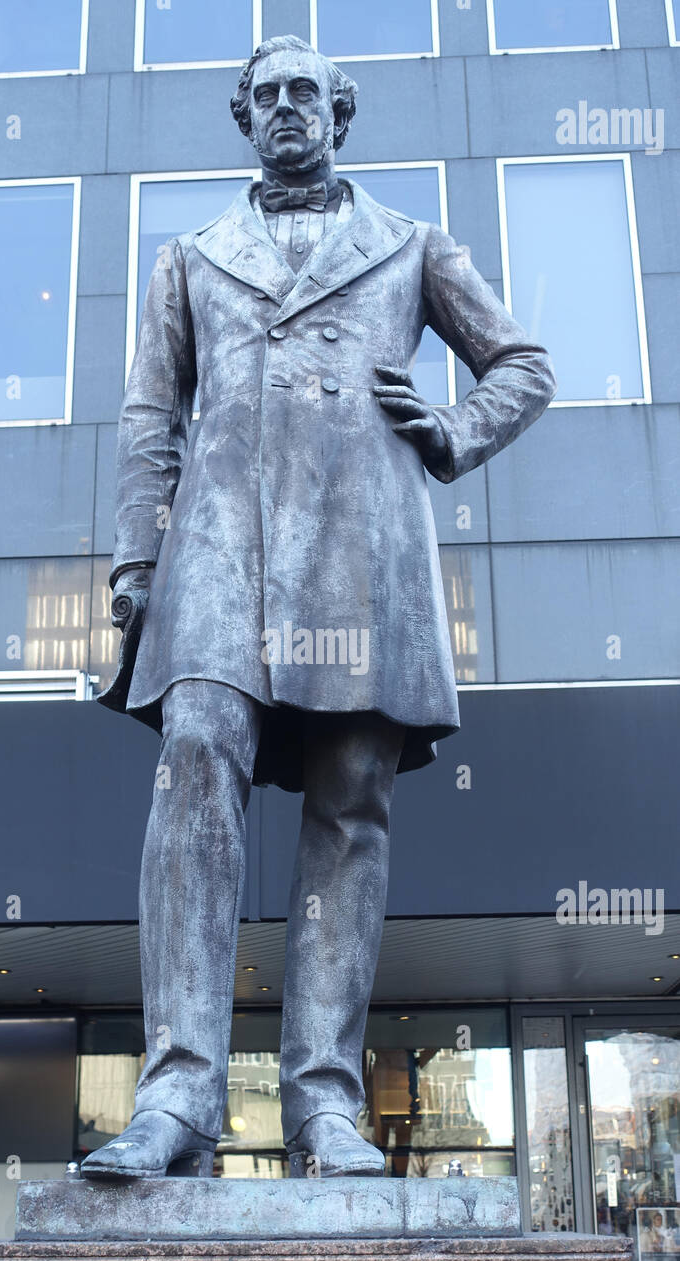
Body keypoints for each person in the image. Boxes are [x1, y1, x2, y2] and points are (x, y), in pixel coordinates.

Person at [82, 36, 555, 1181]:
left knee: (350, 799)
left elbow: (522, 366)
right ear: (242, 117)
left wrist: (448, 429)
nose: (288, 108)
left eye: (308, 92)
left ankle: (325, 1106)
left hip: (360, 558)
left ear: (339, 113)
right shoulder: (190, 256)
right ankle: (178, 1090)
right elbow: (151, 421)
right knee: (196, 753)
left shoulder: (407, 245)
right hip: (217, 559)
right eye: (267, 95)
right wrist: (134, 570)